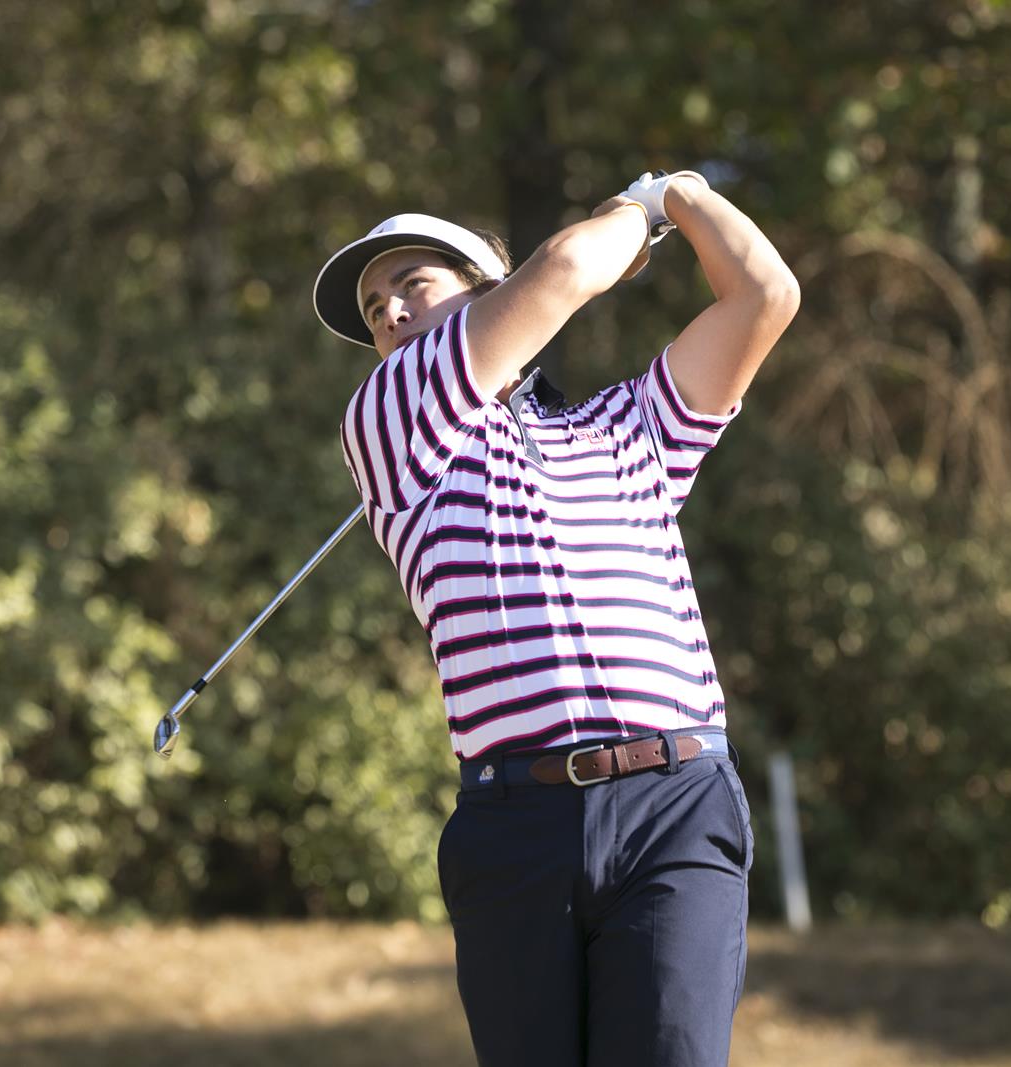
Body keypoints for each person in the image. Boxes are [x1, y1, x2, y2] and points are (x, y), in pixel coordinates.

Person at [312, 170, 799, 1067]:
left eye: (412, 283)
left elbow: (765, 295)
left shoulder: (627, 431)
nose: (386, 312)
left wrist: (686, 194)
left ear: (489, 289)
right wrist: (637, 208)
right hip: (515, 827)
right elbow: (573, 264)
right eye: (373, 307)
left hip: (675, 800)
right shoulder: (392, 427)